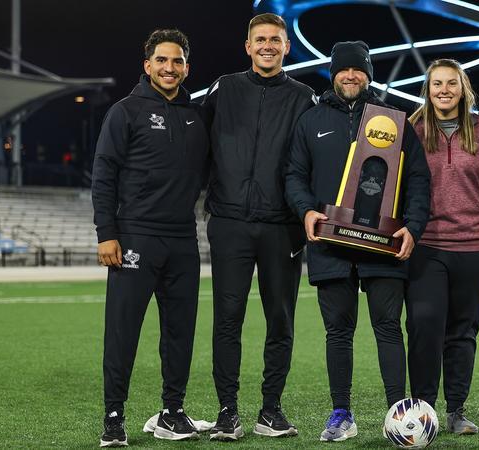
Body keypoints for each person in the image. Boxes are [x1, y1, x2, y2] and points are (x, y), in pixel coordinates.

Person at [285, 40, 430, 442]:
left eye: (359, 70)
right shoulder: (310, 120)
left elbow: (418, 180)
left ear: (369, 75)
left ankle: (398, 414)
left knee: (388, 327)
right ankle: (341, 414)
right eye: (344, 69)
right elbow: (294, 175)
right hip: (330, 243)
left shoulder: (394, 121)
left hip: (383, 244)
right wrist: (306, 211)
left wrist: (413, 227)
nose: (351, 76)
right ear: (333, 74)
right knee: (338, 331)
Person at [201, 13, 315, 440]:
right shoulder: (224, 88)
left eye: (275, 40)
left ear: (287, 46)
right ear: (247, 46)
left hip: (282, 227)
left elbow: (318, 160)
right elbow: (195, 144)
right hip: (229, 221)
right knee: (227, 320)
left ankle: (271, 410)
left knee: (280, 321)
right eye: (260, 39)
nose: (268, 46)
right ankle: (227, 411)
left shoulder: (304, 97)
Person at [92, 29, 208, 447]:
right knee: (122, 332)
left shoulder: (198, 115)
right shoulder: (125, 111)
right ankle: (113, 417)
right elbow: (104, 173)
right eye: (161, 60)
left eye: (177, 61)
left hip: (183, 240)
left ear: (186, 68)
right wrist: (107, 233)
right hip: (135, 237)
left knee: (180, 333)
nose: (169, 68)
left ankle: (172, 413)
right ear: (147, 65)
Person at [405, 59, 479, 435]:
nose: (444, 90)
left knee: (463, 330)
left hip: (475, 244)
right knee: (424, 325)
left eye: (451, 83)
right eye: (437, 83)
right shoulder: (411, 129)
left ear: (463, 88)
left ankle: (457, 410)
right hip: (427, 244)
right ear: (427, 89)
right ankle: (423, 410)